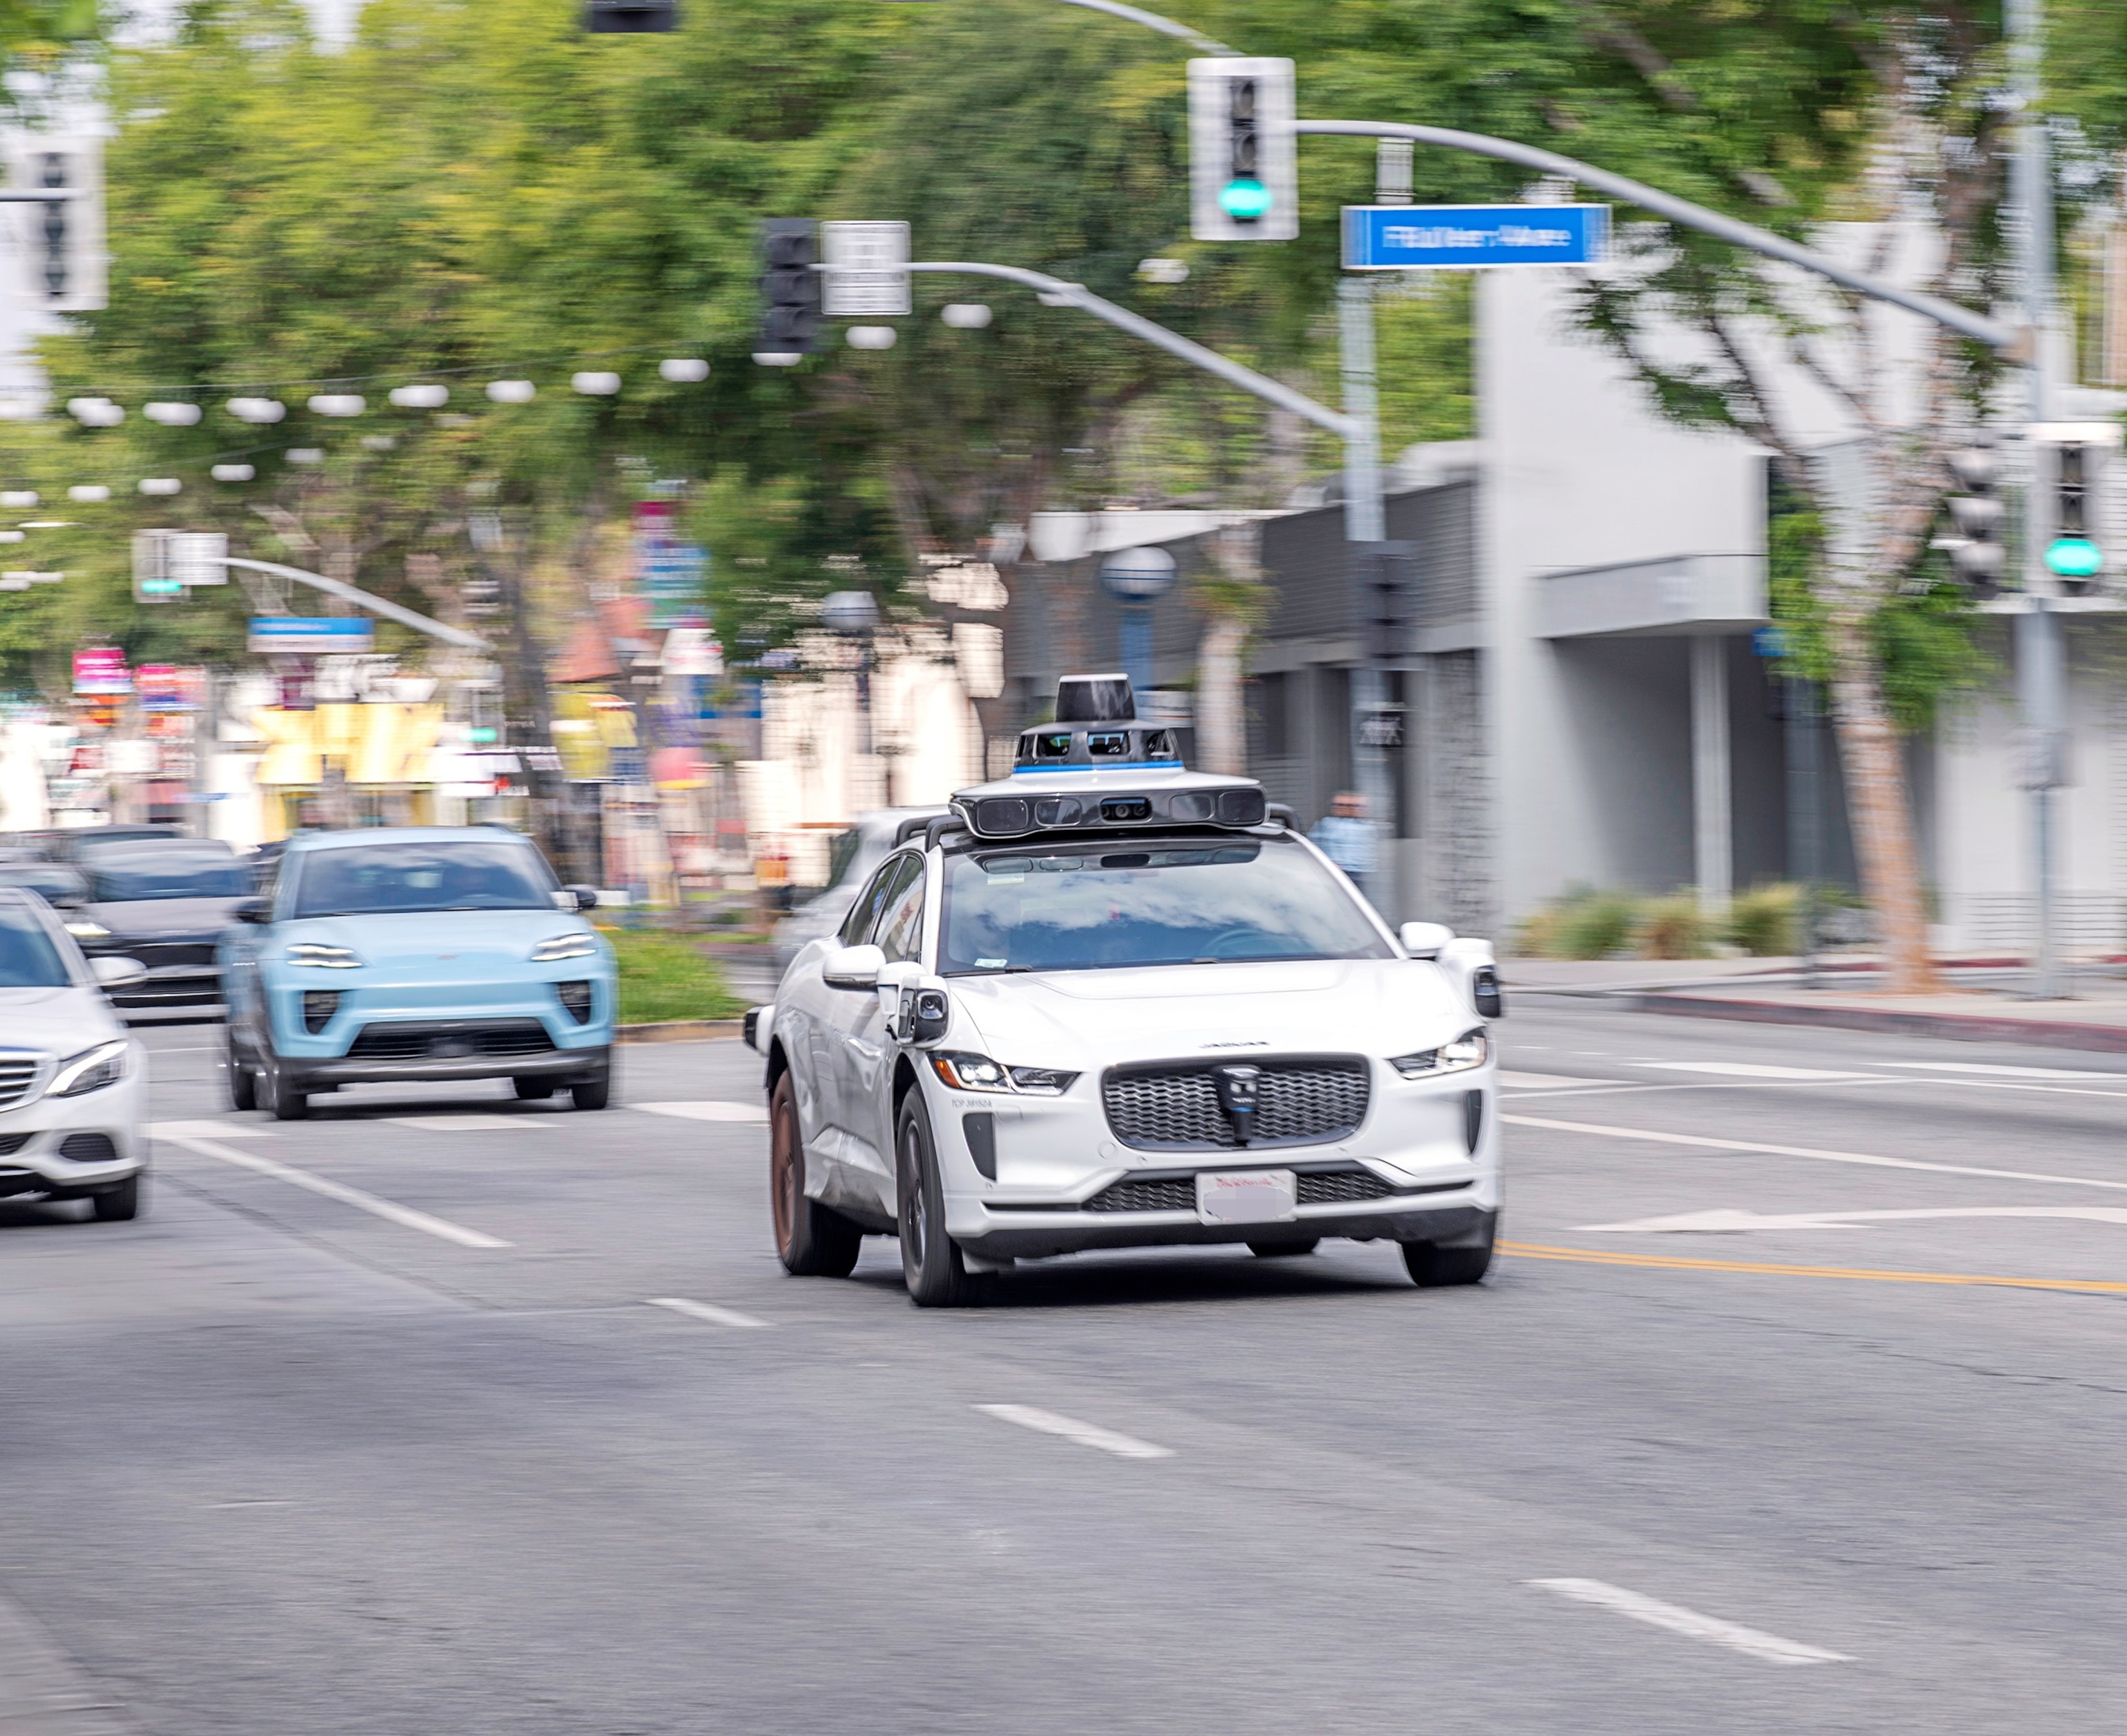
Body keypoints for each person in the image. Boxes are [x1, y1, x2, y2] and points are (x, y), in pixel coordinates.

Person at [1309, 790, 1377, 880]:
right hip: (1335, 873)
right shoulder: (1325, 825)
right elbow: (1314, 849)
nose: (1348, 809)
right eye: (1341, 805)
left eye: (1355, 806)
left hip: (1365, 874)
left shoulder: (1371, 827)